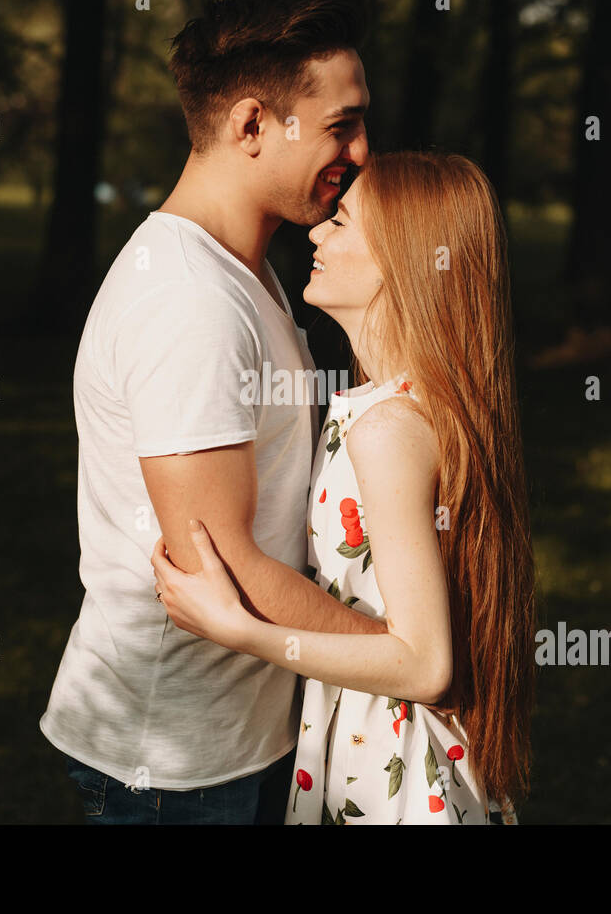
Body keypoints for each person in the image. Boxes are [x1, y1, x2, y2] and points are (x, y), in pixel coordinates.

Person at [39, 0, 377, 824]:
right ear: (253, 124)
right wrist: (407, 661)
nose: (363, 151)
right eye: (341, 126)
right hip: (177, 766)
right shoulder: (189, 302)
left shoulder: (246, 272)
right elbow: (216, 568)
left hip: (237, 739)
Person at [151, 151, 538, 824]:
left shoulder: (389, 428)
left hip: (398, 779)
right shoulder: (388, 406)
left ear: (403, 258)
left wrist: (240, 630)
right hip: (373, 751)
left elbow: (425, 667)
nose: (316, 235)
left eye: (342, 221)